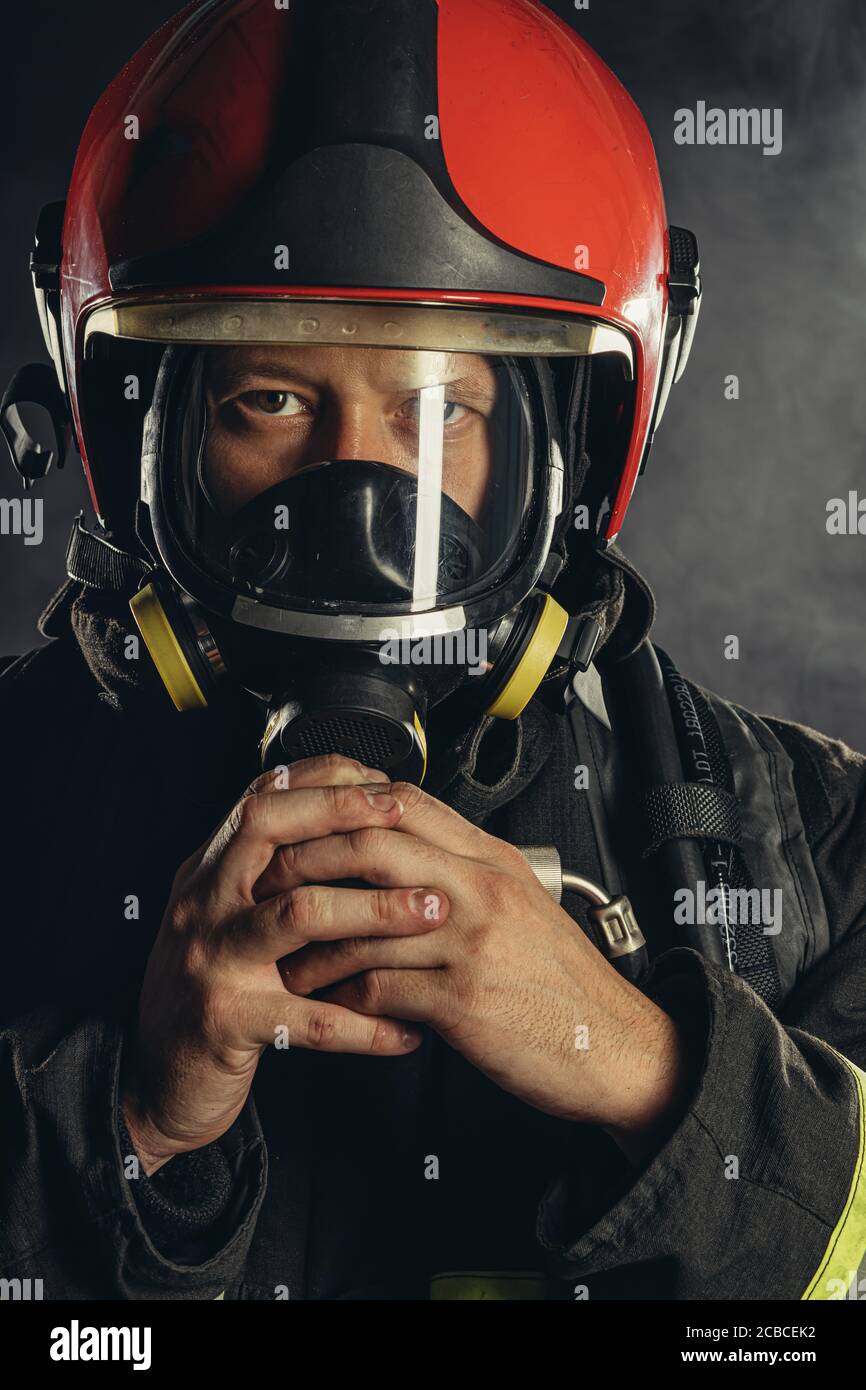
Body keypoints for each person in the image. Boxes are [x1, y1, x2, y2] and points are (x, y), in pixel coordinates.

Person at [1, 0, 864, 1303]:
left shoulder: (813, 843)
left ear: (568, 440)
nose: (355, 502)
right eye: (268, 399)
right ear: (129, 434)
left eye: (436, 409)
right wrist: (134, 1118)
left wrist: (642, 1063)